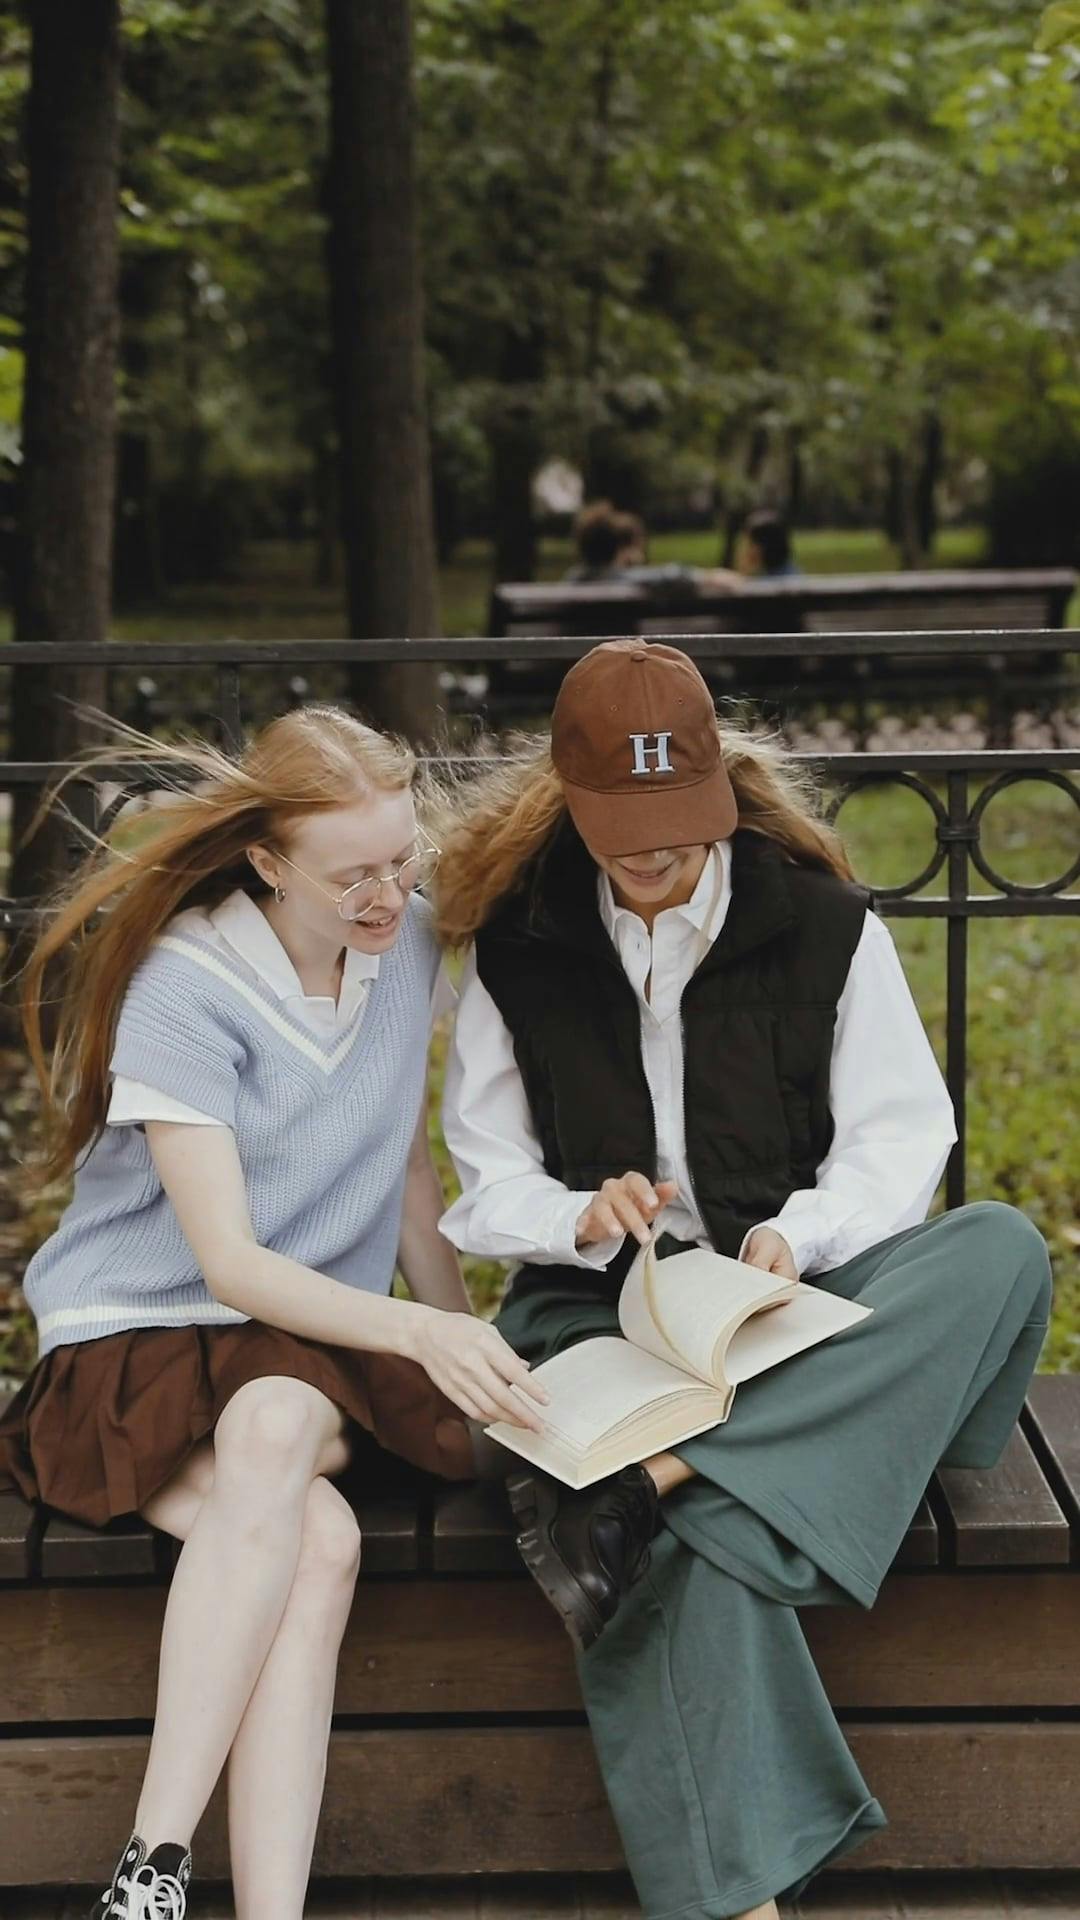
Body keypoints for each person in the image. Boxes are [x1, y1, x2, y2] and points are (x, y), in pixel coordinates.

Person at [432, 640, 1052, 1920]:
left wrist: (803, 1237)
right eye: (626, 834)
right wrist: (582, 1215)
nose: (654, 858)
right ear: (571, 799)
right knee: (696, 1556)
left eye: (677, 828)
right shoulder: (521, 945)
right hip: (599, 1310)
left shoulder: (819, 923)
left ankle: (654, 1479)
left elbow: (903, 1136)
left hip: (788, 1314)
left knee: (998, 1249)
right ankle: (746, 1899)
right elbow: (484, 1183)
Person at [0, 705, 547, 1920]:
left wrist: (465, 1338)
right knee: (324, 1534)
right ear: (266, 860)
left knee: (278, 1427)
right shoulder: (182, 989)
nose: (389, 894)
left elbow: (407, 1167)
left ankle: (165, 1886)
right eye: (353, 873)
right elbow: (231, 1265)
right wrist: (418, 1333)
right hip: (139, 1330)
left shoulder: (405, 945)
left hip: (298, 1348)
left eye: (402, 860)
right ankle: (158, 1865)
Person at [736, 506, 803, 578]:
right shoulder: (786, 573)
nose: (745, 550)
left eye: (751, 544)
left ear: (764, 546)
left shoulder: (776, 582)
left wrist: (744, 570)